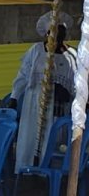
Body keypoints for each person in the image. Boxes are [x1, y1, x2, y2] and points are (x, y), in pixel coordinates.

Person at [10, 11, 78, 173]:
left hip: (59, 106)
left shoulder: (71, 55)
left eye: (60, 32)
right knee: (32, 136)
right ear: (47, 33)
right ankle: (28, 168)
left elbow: (77, 85)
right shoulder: (36, 51)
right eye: (52, 32)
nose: (56, 35)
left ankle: (50, 171)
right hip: (36, 102)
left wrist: (68, 93)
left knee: (54, 138)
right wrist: (14, 97)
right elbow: (23, 76)